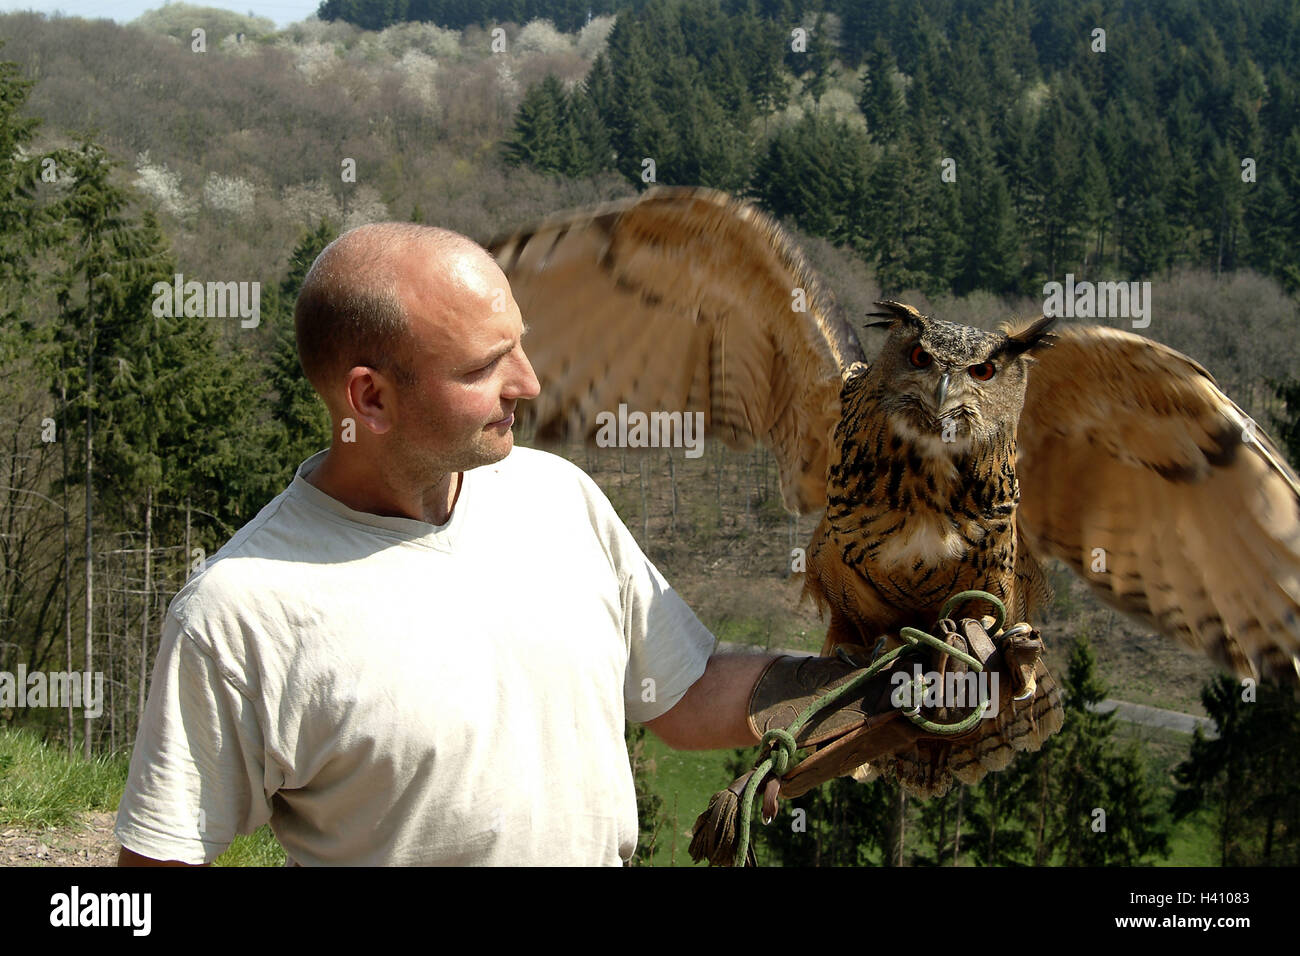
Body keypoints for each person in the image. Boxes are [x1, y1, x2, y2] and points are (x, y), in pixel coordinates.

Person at [114, 222, 780, 866]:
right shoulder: (239, 611)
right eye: (485, 366)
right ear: (370, 398)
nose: (527, 383)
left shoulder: (560, 498)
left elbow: (684, 693)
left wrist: (848, 685)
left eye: (518, 345)